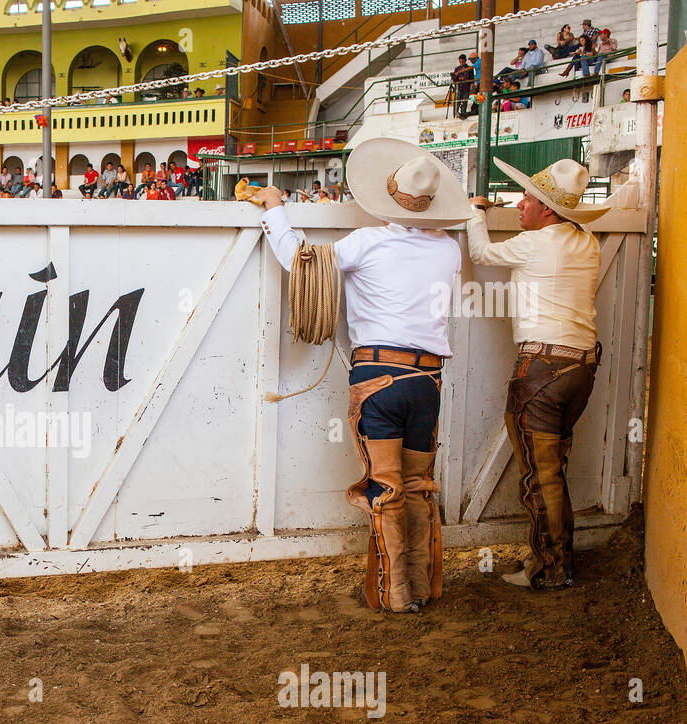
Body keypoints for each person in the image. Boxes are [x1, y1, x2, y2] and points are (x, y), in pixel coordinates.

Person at [252, 139, 475, 612]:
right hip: (427, 381)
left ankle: (395, 592)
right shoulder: (448, 251)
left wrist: (275, 208)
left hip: (378, 376)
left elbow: (302, 263)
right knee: (416, 486)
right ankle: (417, 586)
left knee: (387, 485)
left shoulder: (368, 242)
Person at [468, 159, 611, 590]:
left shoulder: (533, 245)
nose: (519, 204)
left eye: (527, 198)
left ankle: (552, 569)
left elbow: (480, 253)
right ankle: (555, 561)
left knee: (540, 473)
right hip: (580, 367)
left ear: (547, 209)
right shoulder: (587, 243)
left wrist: (476, 212)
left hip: (542, 371)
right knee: (552, 466)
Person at [451, 55, 476, 119]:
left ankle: (463, 115)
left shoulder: (469, 69)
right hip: (459, 88)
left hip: (466, 88)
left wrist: (467, 81)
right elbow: (454, 78)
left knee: (464, 103)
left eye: (462, 61)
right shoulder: (457, 69)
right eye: (460, 61)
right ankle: (455, 116)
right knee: (457, 103)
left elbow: (471, 78)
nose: (461, 63)